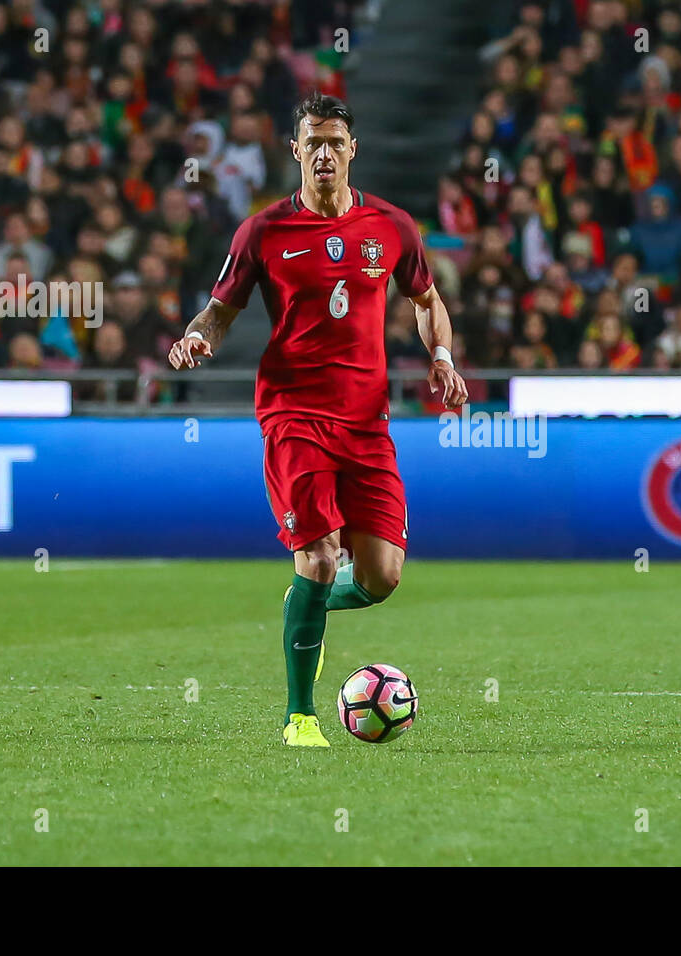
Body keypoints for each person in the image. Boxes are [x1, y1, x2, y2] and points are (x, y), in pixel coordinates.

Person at [167, 93, 469, 748]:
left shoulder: (391, 226)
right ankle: (299, 716)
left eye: (336, 141)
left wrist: (441, 356)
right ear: (296, 150)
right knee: (319, 556)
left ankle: (304, 609)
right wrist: (199, 338)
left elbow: (427, 299)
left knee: (381, 577)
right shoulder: (264, 232)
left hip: (366, 421)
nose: (325, 152)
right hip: (294, 413)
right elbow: (219, 310)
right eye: (313, 141)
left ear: (351, 150)